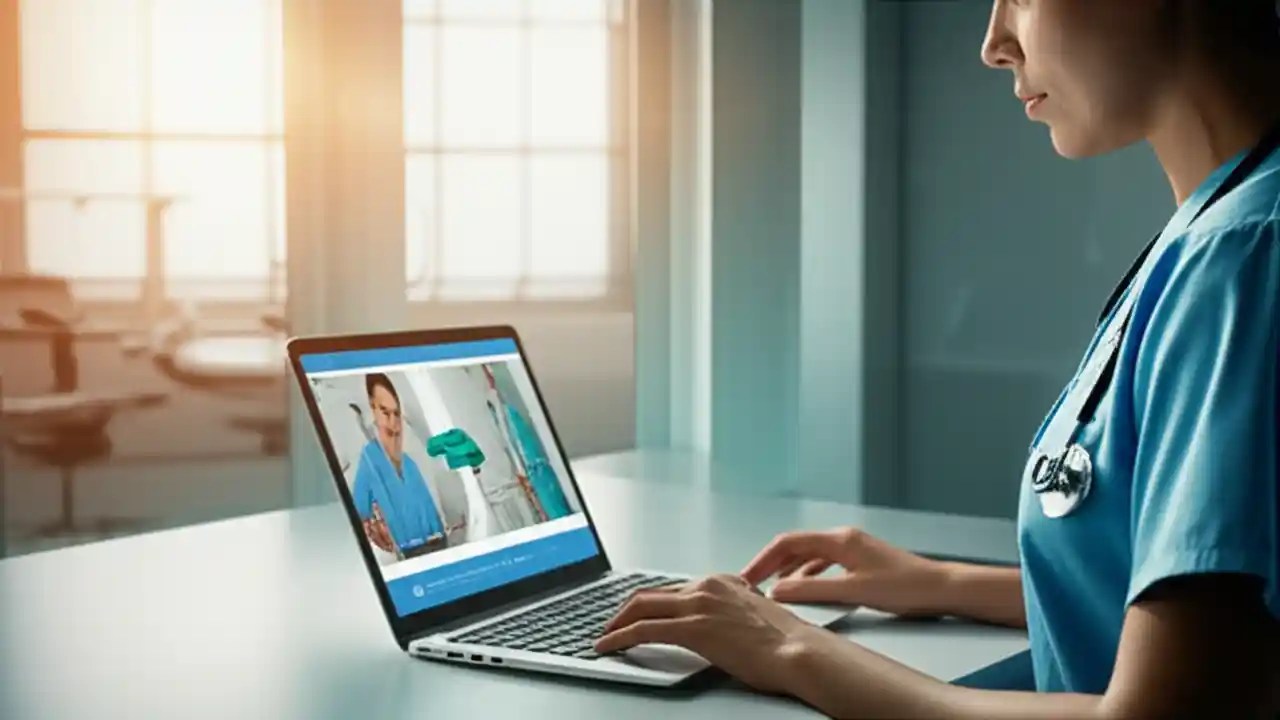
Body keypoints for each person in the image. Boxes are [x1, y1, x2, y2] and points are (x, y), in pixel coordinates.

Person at [595, 2, 1280, 716]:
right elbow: (1211, 604)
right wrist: (941, 582)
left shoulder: (1244, 256)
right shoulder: (1222, 226)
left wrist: (793, 649)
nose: (994, 44)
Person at [352, 373, 447, 559]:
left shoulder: (410, 462)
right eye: (385, 412)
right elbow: (359, 511)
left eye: (396, 413)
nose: (392, 422)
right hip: (410, 554)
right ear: (372, 410)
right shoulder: (369, 458)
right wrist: (372, 529)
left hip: (440, 546)